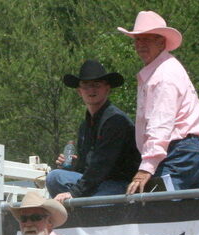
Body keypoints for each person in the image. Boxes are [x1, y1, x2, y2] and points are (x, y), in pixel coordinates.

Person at [117, 11, 199, 194]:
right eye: (137, 40)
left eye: (146, 39)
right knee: (179, 212)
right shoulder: (162, 70)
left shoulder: (163, 76)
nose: (140, 45)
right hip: (184, 152)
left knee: (156, 208)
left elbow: (161, 124)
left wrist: (145, 168)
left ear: (161, 42)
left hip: (179, 152)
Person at [46, 60, 141, 202]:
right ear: (79, 91)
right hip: (97, 183)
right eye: (86, 86)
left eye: (97, 85)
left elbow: (102, 165)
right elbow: (87, 168)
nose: (91, 90)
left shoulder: (115, 120)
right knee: (54, 177)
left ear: (107, 89)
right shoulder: (85, 125)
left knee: (90, 202)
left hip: (120, 184)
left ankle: (80, 212)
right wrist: (72, 166)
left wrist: (75, 193)